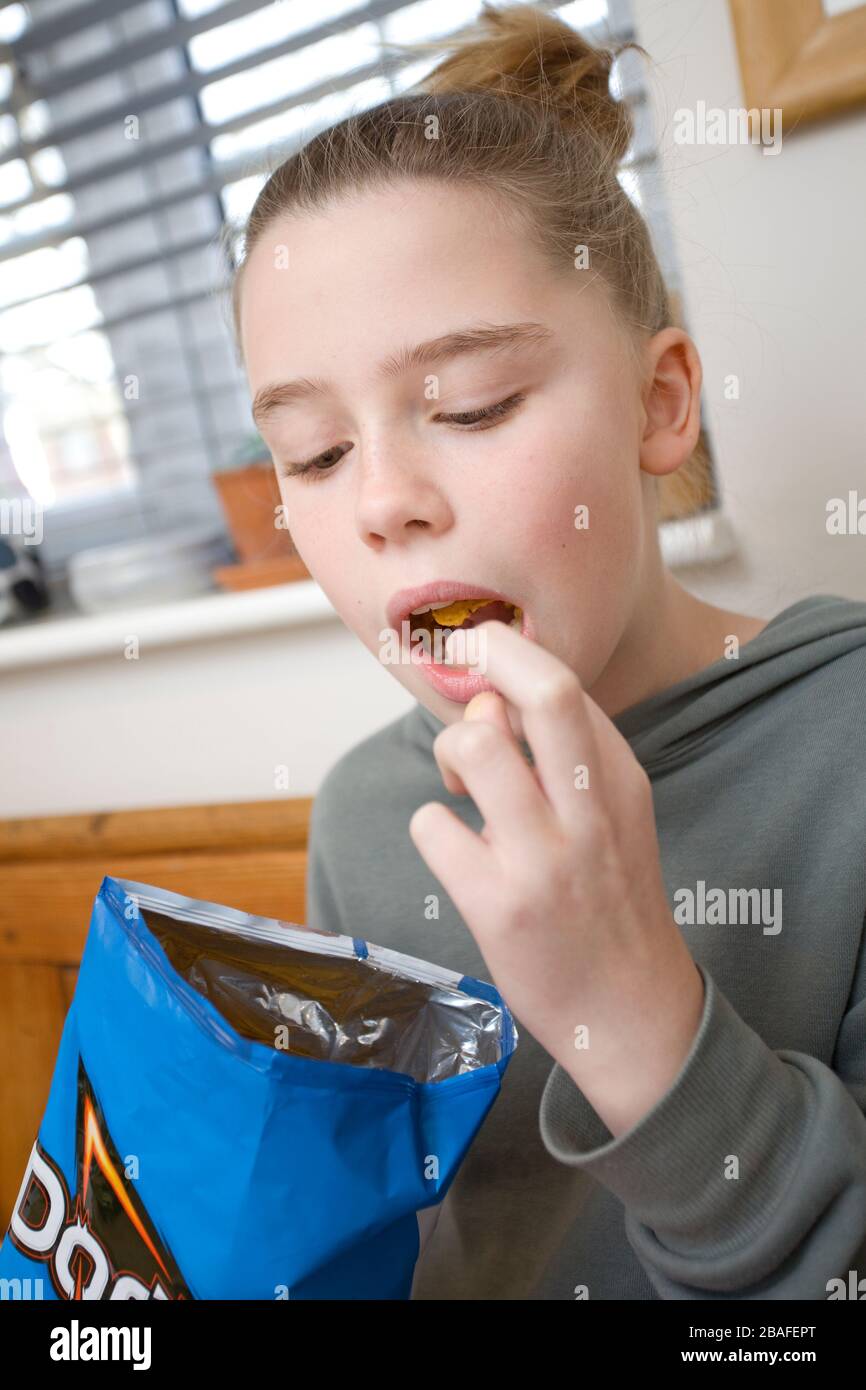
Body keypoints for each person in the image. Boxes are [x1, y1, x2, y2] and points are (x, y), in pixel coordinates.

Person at [229, 2, 866, 1299]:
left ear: (659, 402)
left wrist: (633, 1014)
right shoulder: (366, 812)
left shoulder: (845, 739)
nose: (381, 500)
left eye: (470, 405)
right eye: (314, 452)